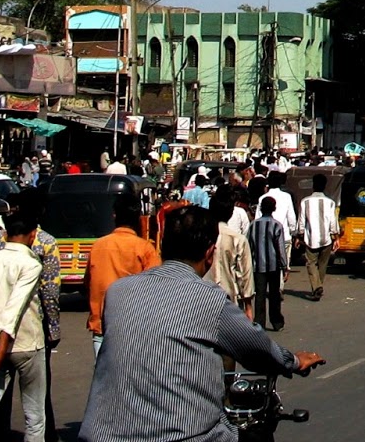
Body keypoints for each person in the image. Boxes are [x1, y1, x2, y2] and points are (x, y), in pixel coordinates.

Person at [80, 205, 322, 442]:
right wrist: (294, 361)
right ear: (209, 254)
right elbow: (257, 349)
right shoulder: (209, 298)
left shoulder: (117, 292)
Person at [0, 203, 45, 442]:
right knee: (34, 414)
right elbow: (14, 309)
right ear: (32, 235)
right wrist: (2, 348)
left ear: (6, 233)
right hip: (25, 343)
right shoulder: (31, 264)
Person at [85, 192, 159, 358]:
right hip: (133, 329)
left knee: (103, 379)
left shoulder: (98, 246)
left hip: (101, 328)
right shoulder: (145, 249)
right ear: (138, 217)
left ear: (114, 215)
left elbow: (88, 283)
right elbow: (156, 290)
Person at [208, 192, 252, 320]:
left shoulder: (201, 237)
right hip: (229, 297)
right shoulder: (238, 239)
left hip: (203, 297)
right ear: (231, 213)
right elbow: (245, 274)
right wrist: (248, 306)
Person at [247, 196, 288, 331]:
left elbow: (249, 246)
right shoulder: (277, 225)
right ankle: (276, 322)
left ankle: (259, 323)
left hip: (257, 266)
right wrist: (284, 267)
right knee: (274, 294)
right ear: (274, 208)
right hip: (273, 265)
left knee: (260, 294)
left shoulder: (253, 225)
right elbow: (281, 249)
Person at [296, 173, 338, 301]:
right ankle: (318, 285)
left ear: (313, 185)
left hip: (311, 239)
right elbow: (333, 222)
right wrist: (336, 237)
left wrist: (299, 236)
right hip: (327, 239)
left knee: (311, 263)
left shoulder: (305, 202)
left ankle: (316, 286)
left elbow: (301, 222)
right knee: (323, 264)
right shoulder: (330, 202)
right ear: (325, 186)